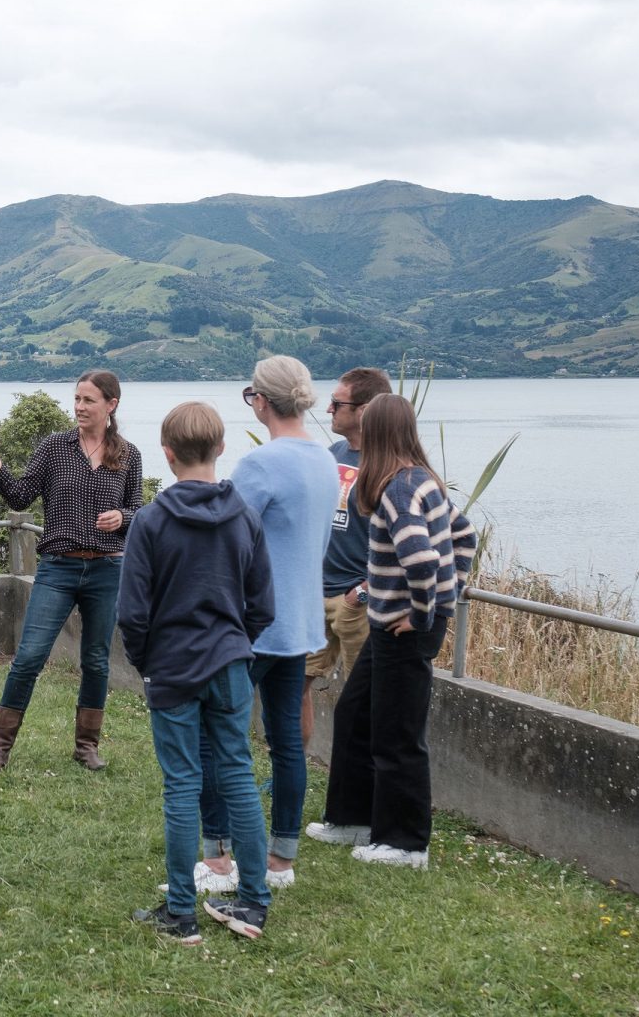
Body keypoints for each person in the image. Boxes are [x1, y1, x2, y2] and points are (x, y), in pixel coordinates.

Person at [120, 402, 275, 943]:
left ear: (167, 454)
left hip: (173, 668)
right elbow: (262, 605)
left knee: (182, 786)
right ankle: (254, 901)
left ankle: (181, 914)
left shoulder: (151, 521)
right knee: (237, 776)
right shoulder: (245, 517)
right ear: (222, 448)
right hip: (231, 663)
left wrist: (148, 661)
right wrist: (235, 643)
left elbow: (132, 612)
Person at [309, 393, 478, 868]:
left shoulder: (400, 488)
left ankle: (404, 844)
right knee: (355, 713)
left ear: (378, 431)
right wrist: (449, 594)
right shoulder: (421, 480)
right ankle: (352, 817)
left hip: (404, 628)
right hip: (395, 624)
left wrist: (425, 612)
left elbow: (422, 559)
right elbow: (465, 536)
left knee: (397, 733)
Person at [197, 355, 339, 893]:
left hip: (253, 626)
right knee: (286, 742)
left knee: (218, 736)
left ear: (261, 400)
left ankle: (217, 859)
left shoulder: (263, 464)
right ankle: (282, 858)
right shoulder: (325, 460)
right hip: (300, 623)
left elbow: (221, 532)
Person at [0, 370, 143, 775]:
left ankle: (86, 747)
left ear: (111, 405)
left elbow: (140, 510)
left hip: (107, 569)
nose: (79, 407)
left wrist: (123, 516)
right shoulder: (55, 447)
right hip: (58, 568)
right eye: (76, 399)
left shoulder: (128, 454)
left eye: (88, 400)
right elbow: (21, 495)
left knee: (96, 661)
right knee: (28, 657)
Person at [303, 367, 393, 741]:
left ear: (365, 409)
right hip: (319, 593)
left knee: (365, 701)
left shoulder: (389, 466)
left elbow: (403, 545)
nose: (328, 410)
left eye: (337, 403)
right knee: (294, 685)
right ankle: (291, 769)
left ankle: (362, 784)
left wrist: (361, 594)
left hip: (356, 601)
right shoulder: (334, 453)